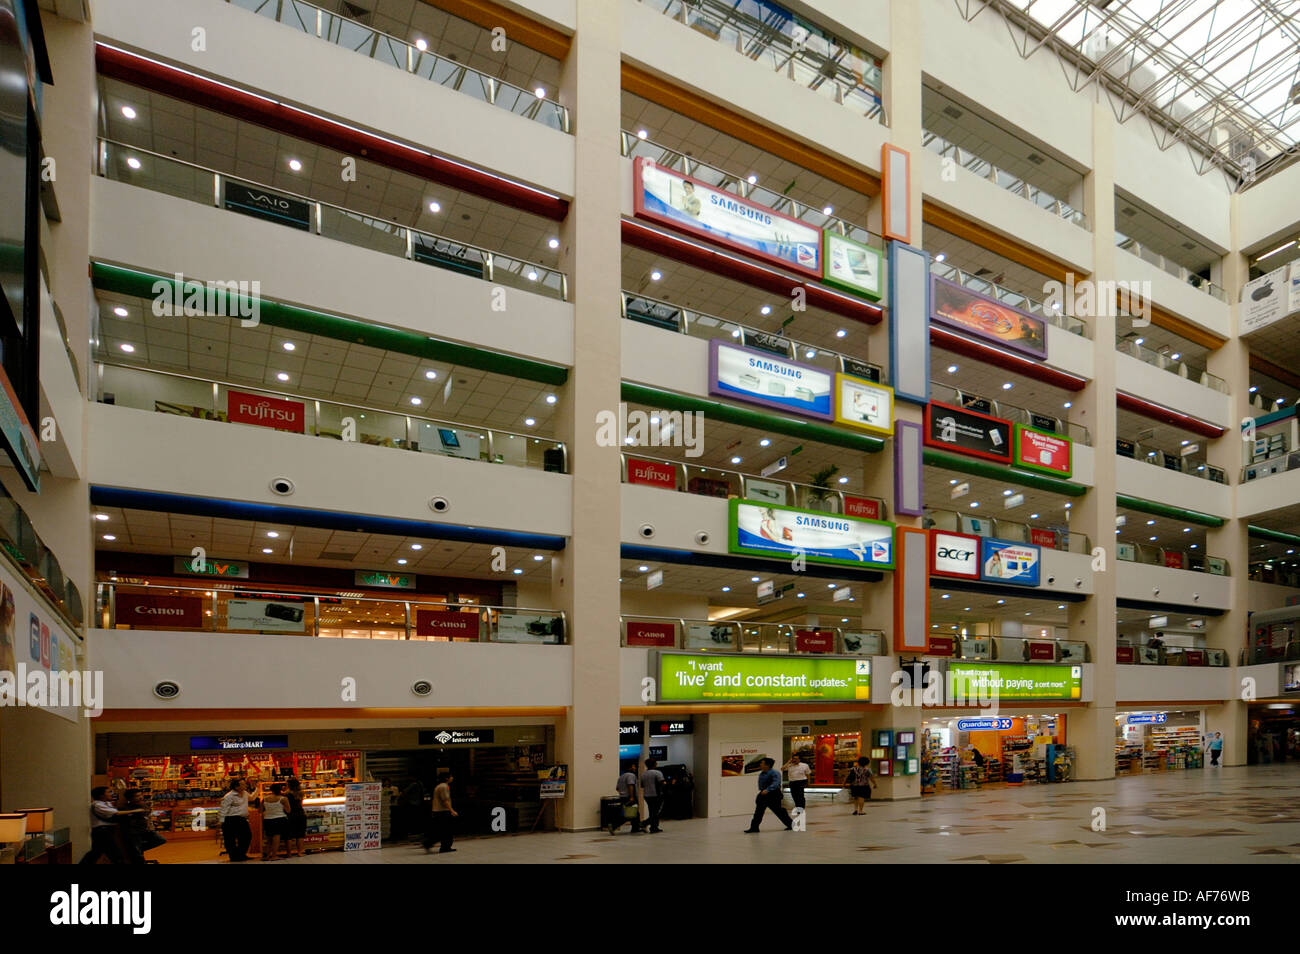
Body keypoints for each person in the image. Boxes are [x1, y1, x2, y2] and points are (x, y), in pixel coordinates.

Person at [79, 786, 139, 864]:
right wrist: (135, 811)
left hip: (106, 831)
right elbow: (115, 813)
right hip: (102, 832)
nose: (112, 794)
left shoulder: (106, 803)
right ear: (101, 795)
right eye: (109, 792)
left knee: (96, 853)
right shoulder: (97, 805)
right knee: (113, 854)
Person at [745, 757, 793, 833]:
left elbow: (776, 783)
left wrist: (768, 789)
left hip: (773, 795)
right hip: (763, 794)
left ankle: (791, 825)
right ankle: (754, 828)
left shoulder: (774, 773)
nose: (760, 764)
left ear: (767, 765)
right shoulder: (762, 773)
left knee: (779, 811)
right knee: (758, 812)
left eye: (762, 763)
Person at [219, 778, 254, 862]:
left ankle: (241, 854)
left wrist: (257, 789)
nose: (245, 785)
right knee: (230, 839)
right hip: (231, 819)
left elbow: (252, 798)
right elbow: (223, 809)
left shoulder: (245, 793)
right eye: (242, 784)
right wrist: (221, 821)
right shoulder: (229, 796)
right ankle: (234, 857)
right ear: (236, 786)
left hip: (242, 819)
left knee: (246, 837)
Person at [423, 773, 458, 854]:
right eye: (451, 776)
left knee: (441, 830)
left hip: (438, 812)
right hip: (442, 812)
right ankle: (444, 847)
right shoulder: (443, 786)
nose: (452, 778)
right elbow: (445, 800)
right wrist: (452, 810)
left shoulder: (440, 786)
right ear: (447, 778)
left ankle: (430, 844)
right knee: (446, 830)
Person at [260, 782, 290, 861]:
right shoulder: (283, 799)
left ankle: (267, 855)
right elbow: (288, 810)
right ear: (281, 789)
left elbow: (260, 810)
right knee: (276, 837)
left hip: (267, 819)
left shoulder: (265, 798)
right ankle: (274, 855)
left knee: (269, 838)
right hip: (279, 819)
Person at [609, 766, 642, 834]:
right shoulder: (631, 775)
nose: (635, 768)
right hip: (629, 797)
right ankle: (614, 825)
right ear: (629, 768)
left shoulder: (621, 776)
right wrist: (631, 797)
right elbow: (630, 785)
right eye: (633, 766)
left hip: (623, 797)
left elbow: (617, 788)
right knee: (630, 813)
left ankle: (635, 828)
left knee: (635, 813)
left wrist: (622, 793)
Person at [640, 758, 666, 833]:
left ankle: (654, 827)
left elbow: (642, 785)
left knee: (652, 811)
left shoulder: (644, 774)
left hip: (646, 795)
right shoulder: (657, 773)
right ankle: (644, 823)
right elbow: (662, 783)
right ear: (654, 764)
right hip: (656, 794)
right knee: (656, 812)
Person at [399, 777, 426, 841]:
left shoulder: (414, 784)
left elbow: (405, 791)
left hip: (412, 803)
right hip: (419, 803)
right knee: (417, 819)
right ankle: (417, 832)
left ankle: (413, 832)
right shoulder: (420, 783)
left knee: (412, 818)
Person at [285, 777, 306, 857]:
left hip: (290, 815)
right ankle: (300, 852)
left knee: (289, 836)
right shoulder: (301, 793)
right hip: (300, 814)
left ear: (289, 785)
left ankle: (289, 853)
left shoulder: (287, 794)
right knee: (300, 835)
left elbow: (286, 806)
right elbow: (301, 804)